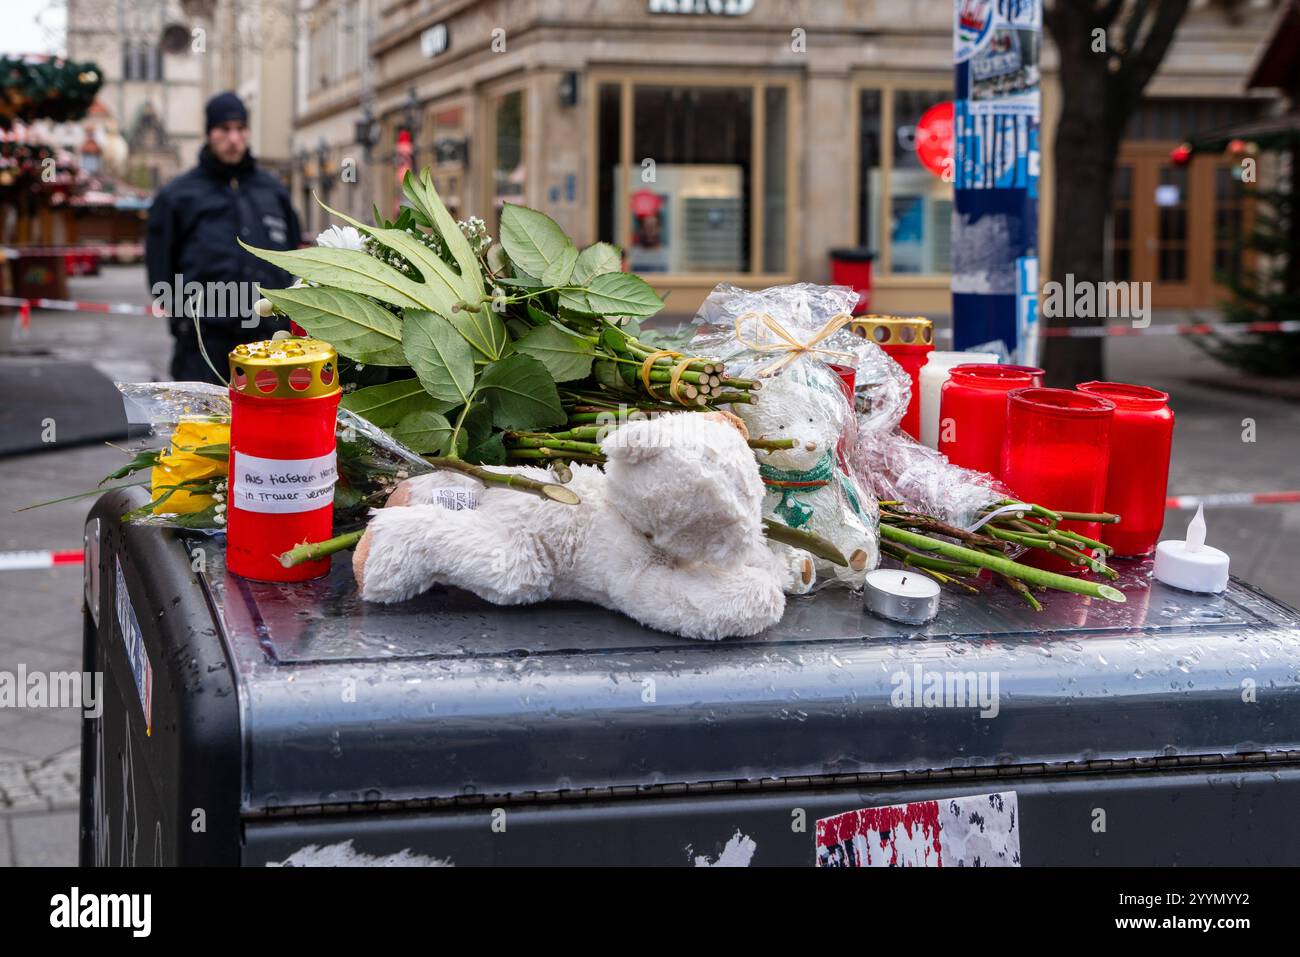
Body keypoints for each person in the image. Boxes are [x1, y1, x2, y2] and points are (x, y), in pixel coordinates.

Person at [146, 92, 302, 383]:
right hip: (204, 346)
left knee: (269, 427)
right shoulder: (178, 196)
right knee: (204, 427)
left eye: (240, 129)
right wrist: (183, 322)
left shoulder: (273, 191)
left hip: (268, 342)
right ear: (209, 133)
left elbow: (293, 258)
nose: (233, 138)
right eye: (224, 129)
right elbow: (160, 269)